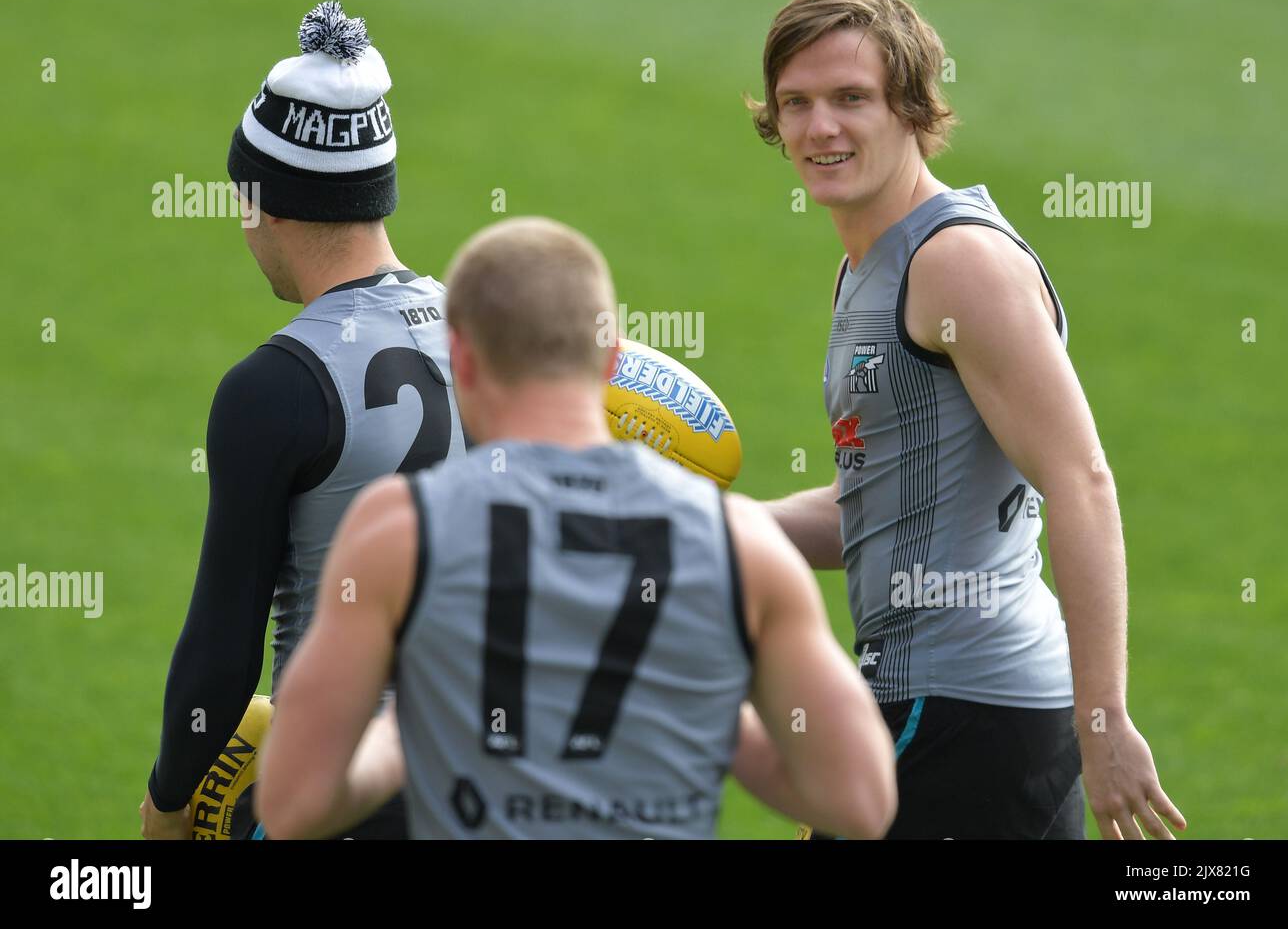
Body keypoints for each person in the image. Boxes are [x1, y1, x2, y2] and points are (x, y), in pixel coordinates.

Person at [255, 217, 897, 839]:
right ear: (614, 356)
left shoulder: (398, 529)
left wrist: (400, 734)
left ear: (461, 360)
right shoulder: (737, 542)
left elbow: (291, 804)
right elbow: (862, 801)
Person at [749, 0, 1186, 840]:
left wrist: (1104, 723)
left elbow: (1082, 478)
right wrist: (708, 522)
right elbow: (891, 509)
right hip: (929, 707)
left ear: (912, 107)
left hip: (970, 715)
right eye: (795, 103)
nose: (819, 127)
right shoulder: (870, 264)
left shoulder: (954, 263)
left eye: (850, 98)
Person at [140, 1, 468, 840]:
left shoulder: (273, 387)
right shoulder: (493, 331)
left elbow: (221, 649)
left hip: (347, 792)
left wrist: (169, 801)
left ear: (265, 202)